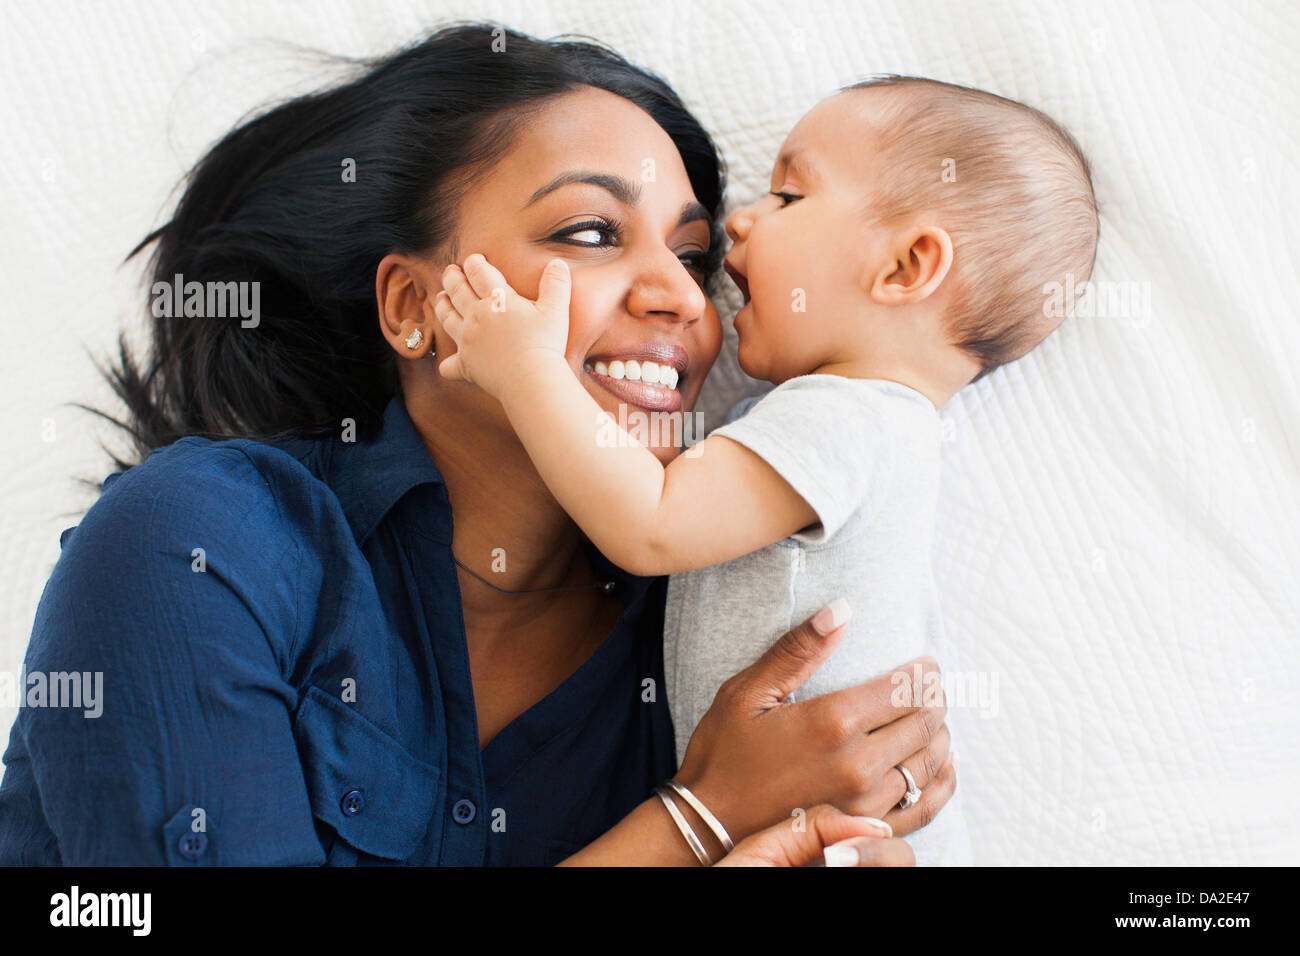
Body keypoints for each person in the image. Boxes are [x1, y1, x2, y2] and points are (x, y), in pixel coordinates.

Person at [0, 25, 954, 866]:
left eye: (695, 257)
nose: (684, 299)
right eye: (590, 231)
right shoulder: (200, 545)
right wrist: (698, 820)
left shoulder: (707, 654)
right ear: (414, 309)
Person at [430, 76, 1096, 864]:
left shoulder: (846, 419)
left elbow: (649, 524)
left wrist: (525, 368)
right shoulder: (864, 426)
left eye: (787, 195)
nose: (739, 222)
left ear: (908, 265)